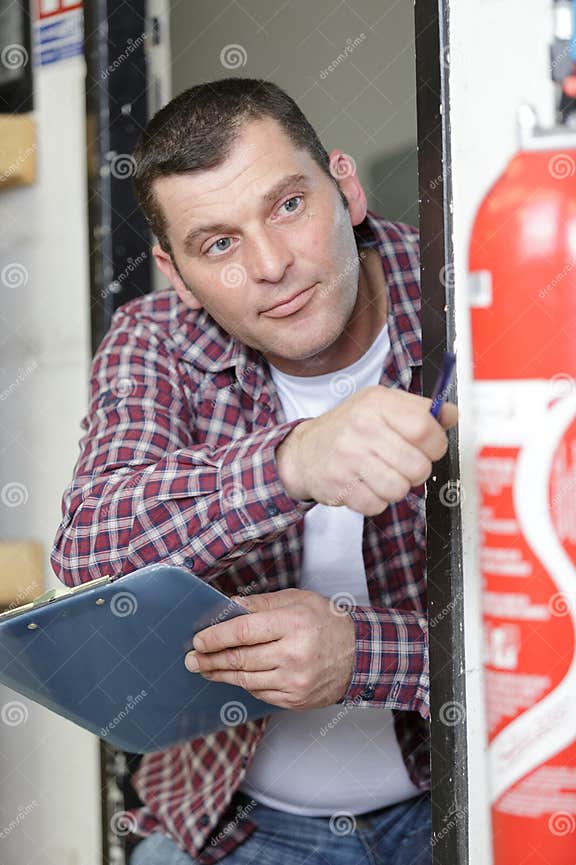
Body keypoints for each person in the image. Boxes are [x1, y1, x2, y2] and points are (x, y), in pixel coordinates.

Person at [50, 77, 458, 865]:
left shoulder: (464, 297)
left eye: (288, 205)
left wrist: (360, 654)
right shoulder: (156, 338)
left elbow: (546, 624)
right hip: (234, 819)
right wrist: (291, 462)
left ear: (347, 186)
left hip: (447, 801)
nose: (272, 265)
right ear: (177, 273)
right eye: (220, 244)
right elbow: (91, 550)